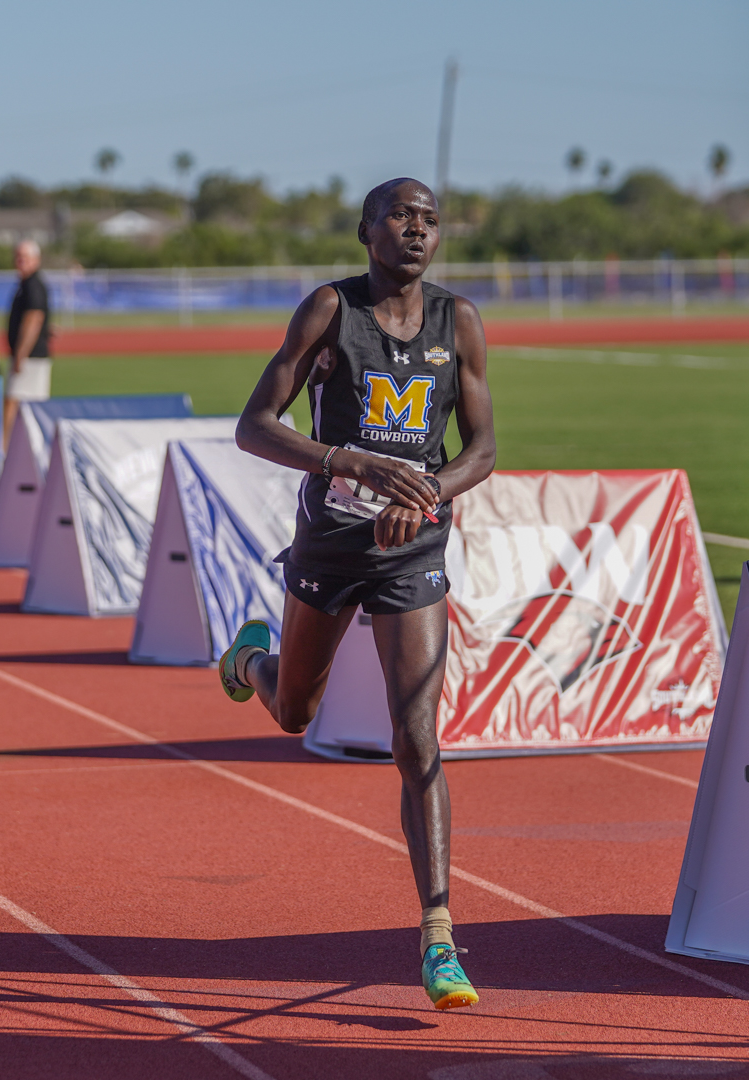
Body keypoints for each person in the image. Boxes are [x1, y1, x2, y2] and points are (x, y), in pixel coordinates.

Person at [220, 178, 496, 1011]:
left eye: (430, 218)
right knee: (294, 713)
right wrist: (350, 462)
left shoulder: (461, 322)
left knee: (416, 736)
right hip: (331, 546)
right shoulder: (329, 312)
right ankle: (252, 659)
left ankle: (439, 935)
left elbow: (482, 448)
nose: (417, 229)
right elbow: (253, 424)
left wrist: (427, 492)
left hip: (412, 551)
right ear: (368, 229)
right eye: (401, 216)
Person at [2, 239, 53, 441]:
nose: (20, 261)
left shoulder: (33, 284)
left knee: (13, 403)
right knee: (27, 406)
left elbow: (34, 317)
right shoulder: (26, 284)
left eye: (25, 257)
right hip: (29, 356)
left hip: (30, 358)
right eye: (18, 256)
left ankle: (5, 453)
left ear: (36, 259)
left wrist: (20, 355)